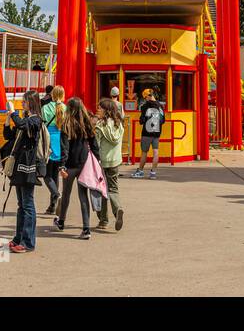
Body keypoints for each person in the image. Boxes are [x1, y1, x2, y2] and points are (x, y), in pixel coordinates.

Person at [54, 96, 100, 239]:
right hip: (84, 164)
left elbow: (64, 149)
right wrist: (97, 161)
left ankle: (61, 222)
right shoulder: (87, 125)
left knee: (66, 194)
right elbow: (94, 145)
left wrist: (62, 165)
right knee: (83, 195)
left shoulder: (66, 125)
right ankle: (86, 229)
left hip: (70, 166)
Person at [3, 91, 44, 253]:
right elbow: (8, 135)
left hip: (28, 167)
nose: (23, 103)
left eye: (25, 101)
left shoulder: (36, 120)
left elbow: (21, 125)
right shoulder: (26, 119)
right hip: (19, 166)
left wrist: (13, 113)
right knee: (21, 205)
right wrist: (8, 118)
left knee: (27, 204)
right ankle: (18, 237)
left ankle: (28, 242)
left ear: (32, 102)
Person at [95, 97, 125, 231]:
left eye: (100, 108)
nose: (98, 110)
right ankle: (118, 208)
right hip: (115, 161)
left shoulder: (100, 126)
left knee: (102, 190)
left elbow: (96, 145)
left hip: (102, 161)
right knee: (113, 188)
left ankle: (103, 220)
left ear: (106, 111)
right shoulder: (119, 124)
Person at [39, 86, 65, 214]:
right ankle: (52, 205)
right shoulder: (65, 108)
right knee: (55, 176)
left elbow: (42, 125)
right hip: (61, 141)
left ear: (52, 95)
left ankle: (56, 195)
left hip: (49, 141)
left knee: (46, 175)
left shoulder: (45, 108)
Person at [132, 89, 165, 179]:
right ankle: (153, 172)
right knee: (156, 152)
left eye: (145, 97)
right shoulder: (161, 106)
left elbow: (141, 121)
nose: (145, 99)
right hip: (157, 133)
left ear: (147, 96)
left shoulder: (144, 106)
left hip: (146, 133)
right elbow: (163, 121)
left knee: (144, 152)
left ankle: (141, 171)